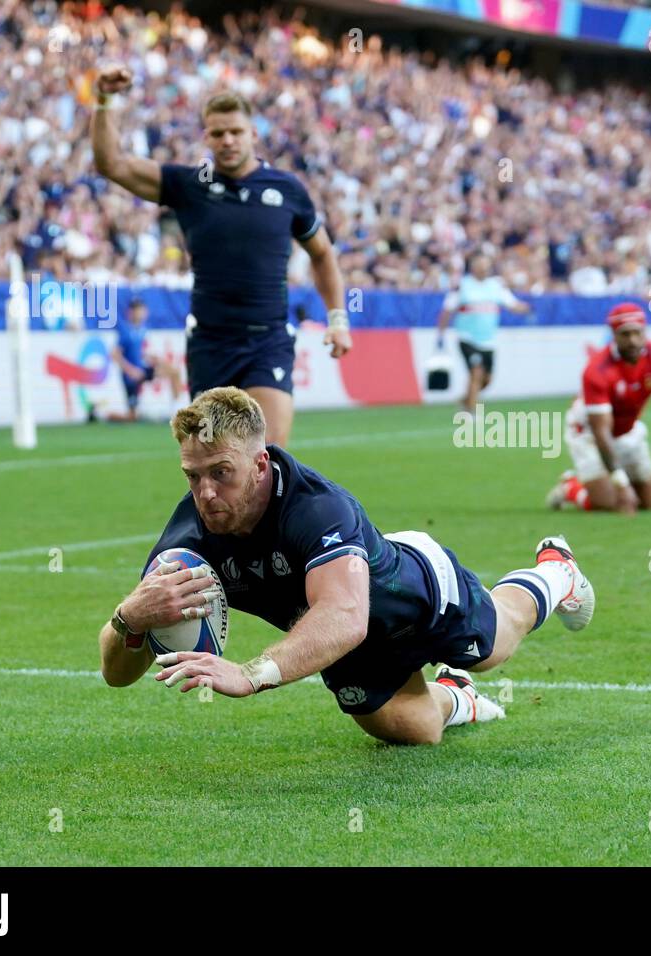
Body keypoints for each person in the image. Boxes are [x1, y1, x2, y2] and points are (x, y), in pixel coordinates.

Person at [97, 387, 597, 745]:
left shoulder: (315, 507)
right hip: (337, 641)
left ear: (259, 464)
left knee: (493, 647)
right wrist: (129, 620)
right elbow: (117, 675)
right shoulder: (187, 541)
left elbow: (345, 615)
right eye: (193, 475)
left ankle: (556, 572)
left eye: (221, 473)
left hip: (410, 593)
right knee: (414, 731)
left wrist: (250, 674)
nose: (206, 492)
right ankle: (458, 697)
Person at [90, 65, 352, 447]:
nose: (228, 140)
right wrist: (104, 100)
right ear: (206, 137)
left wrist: (338, 319)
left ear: (253, 134)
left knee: (267, 459)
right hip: (210, 345)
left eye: (236, 132)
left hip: (268, 341)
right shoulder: (189, 185)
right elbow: (111, 163)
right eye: (218, 133)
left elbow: (323, 254)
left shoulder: (288, 190)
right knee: (215, 466)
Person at [547, 303, 651, 513]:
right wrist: (620, 482)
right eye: (625, 334)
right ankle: (571, 488)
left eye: (637, 333)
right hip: (588, 434)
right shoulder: (597, 370)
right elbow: (600, 430)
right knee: (614, 504)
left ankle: (617, 485)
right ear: (613, 334)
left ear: (644, 332)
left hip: (627, 431)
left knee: (649, 503)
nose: (632, 341)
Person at [434, 252, 531, 412]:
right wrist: (440, 334)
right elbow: (447, 310)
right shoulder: (462, 286)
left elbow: (512, 304)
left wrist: (527, 308)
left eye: (487, 266)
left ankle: (466, 400)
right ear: (473, 267)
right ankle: (472, 414)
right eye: (481, 266)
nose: (485, 269)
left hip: (488, 341)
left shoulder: (496, 286)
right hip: (467, 338)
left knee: (487, 380)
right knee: (476, 373)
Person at [97, 298, 185, 422]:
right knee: (132, 417)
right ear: (131, 312)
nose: (142, 313)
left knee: (174, 372)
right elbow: (115, 355)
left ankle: (176, 410)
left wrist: (150, 358)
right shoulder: (126, 331)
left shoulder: (142, 330)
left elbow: (137, 353)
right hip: (132, 377)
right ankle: (101, 414)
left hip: (142, 371)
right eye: (139, 311)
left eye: (143, 310)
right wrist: (131, 371)